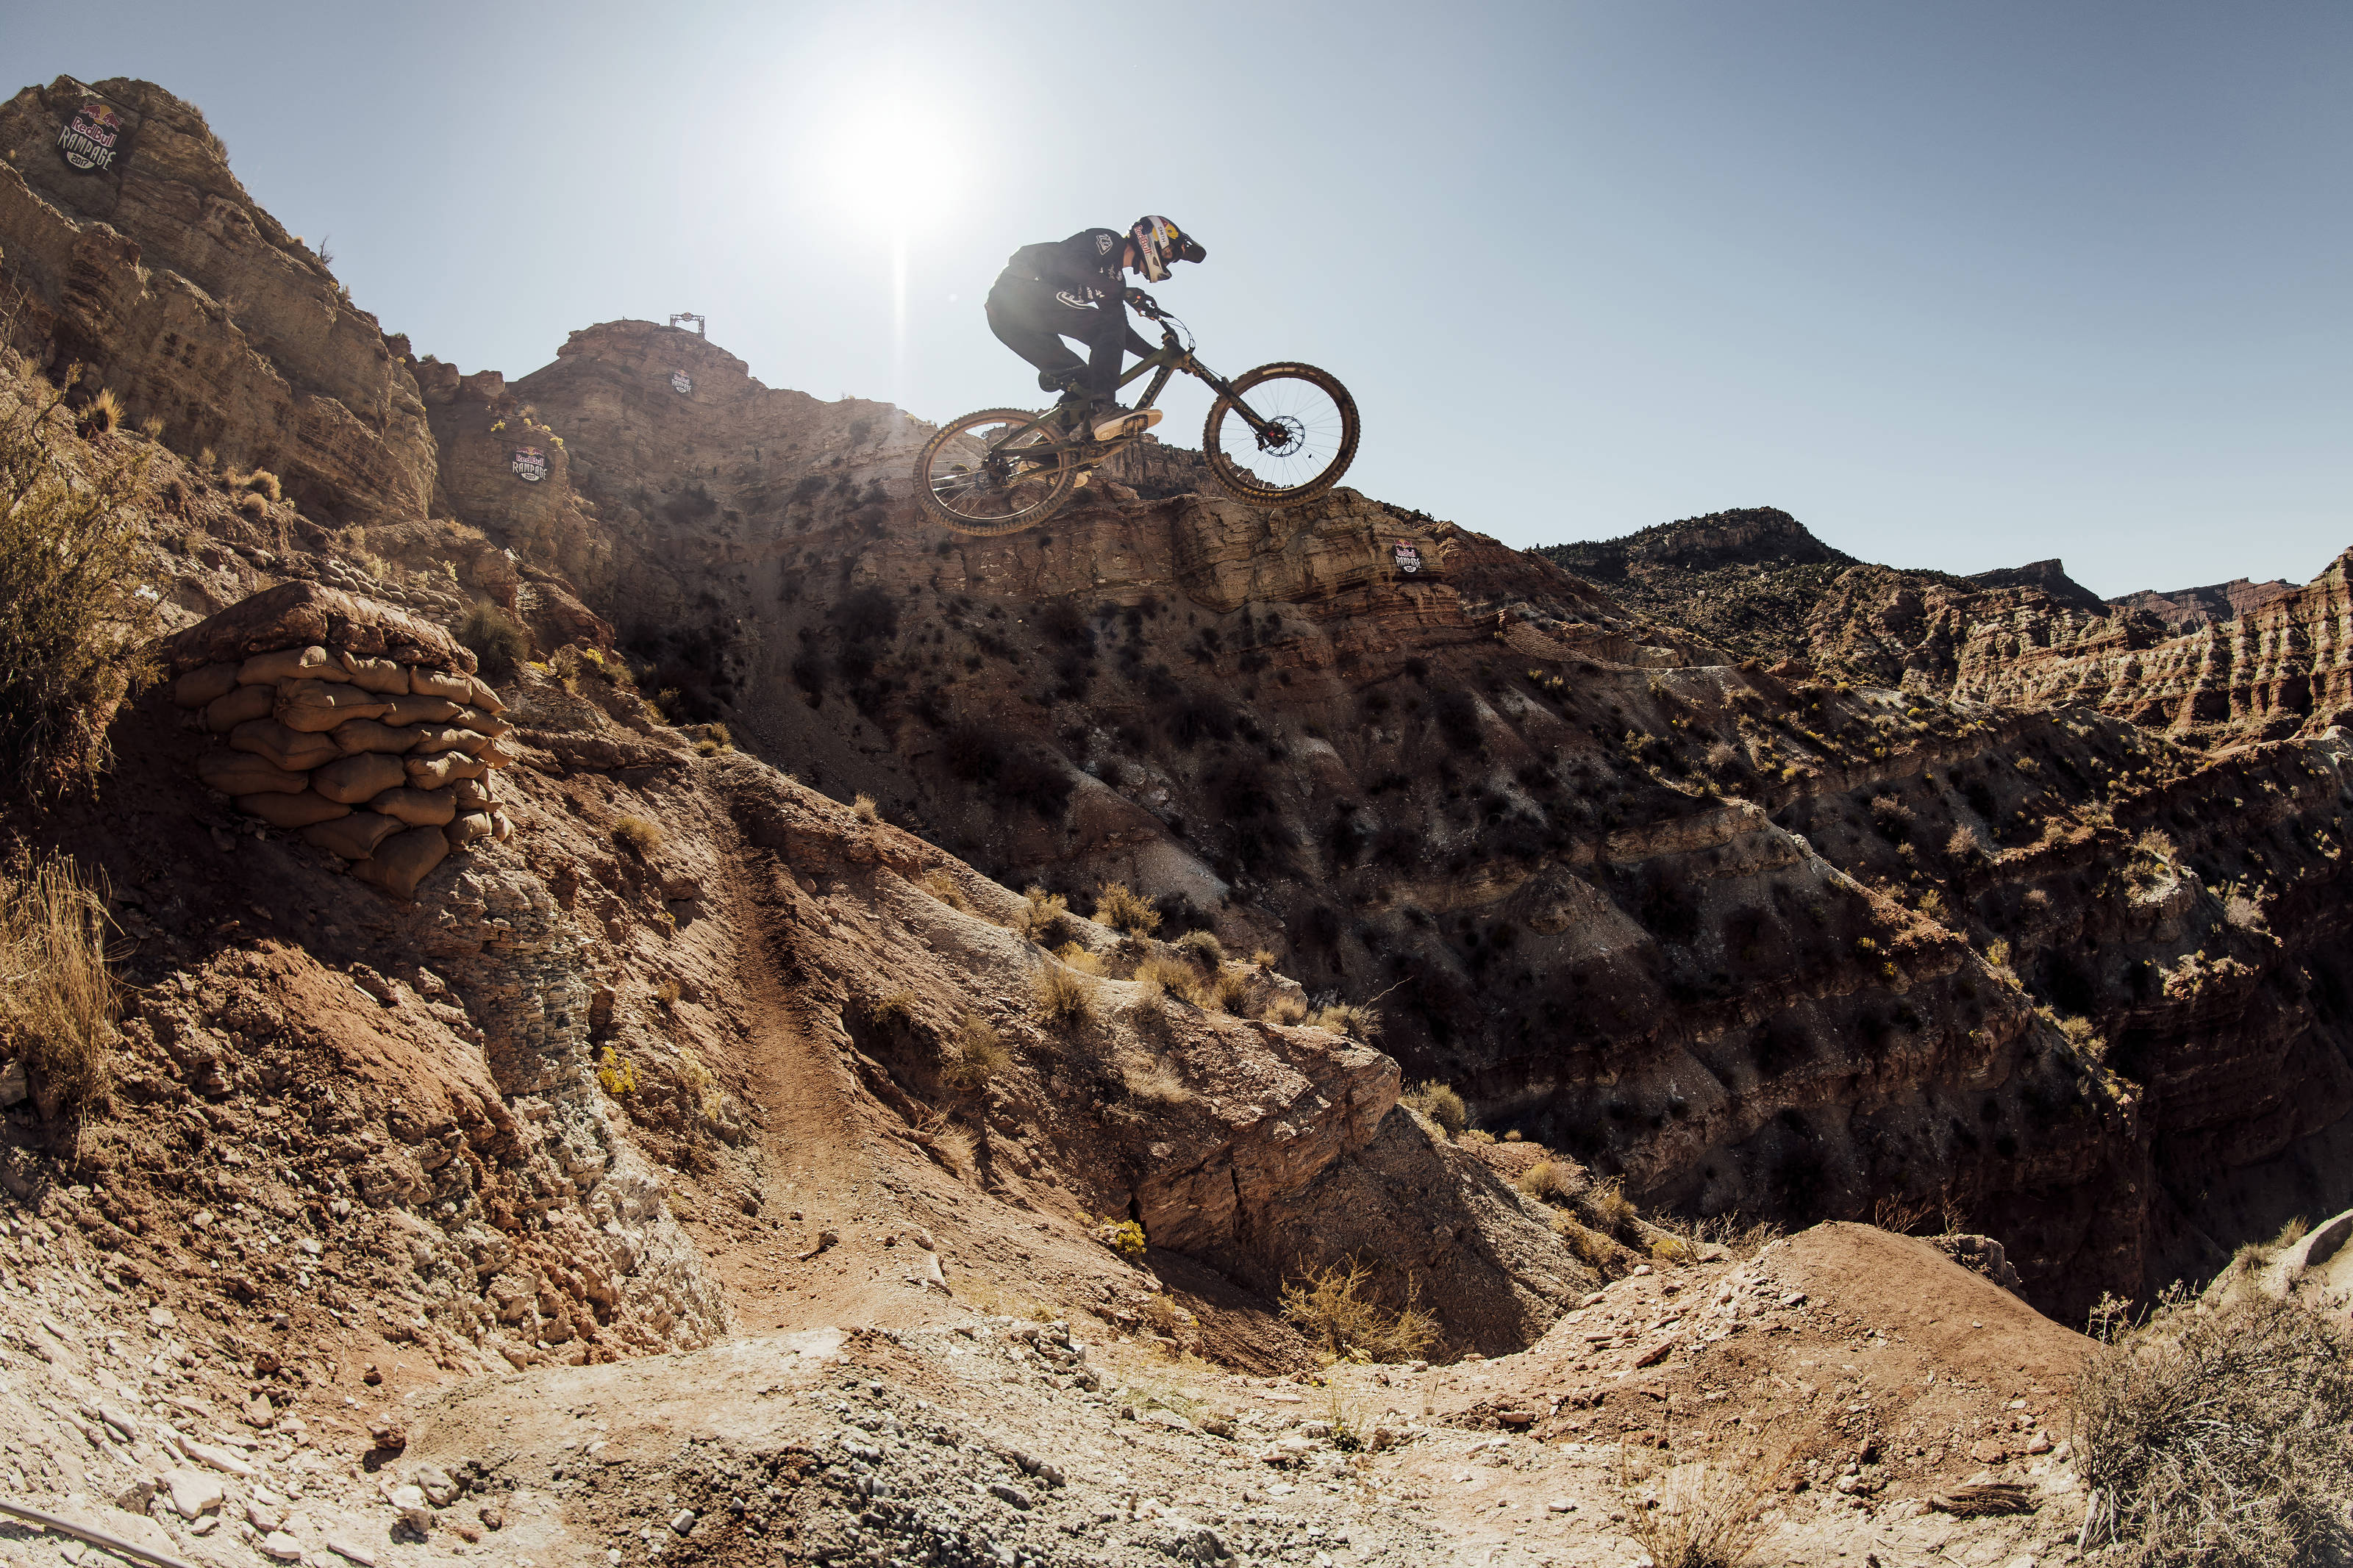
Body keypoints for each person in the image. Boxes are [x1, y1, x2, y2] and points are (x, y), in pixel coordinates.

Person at [986, 215, 1206, 440]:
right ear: (1150, 239)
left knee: (1085, 384)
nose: (1167, 262)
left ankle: (1046, 452)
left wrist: (1162, 356)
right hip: (1017, 291)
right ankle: (1104, 411)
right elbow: (1070, 264)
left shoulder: (1116, 281)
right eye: (1168, 254)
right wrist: (1121, 293)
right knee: (1106, 328)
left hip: (1012, 324)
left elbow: (1121, 333)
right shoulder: (1108, 241)